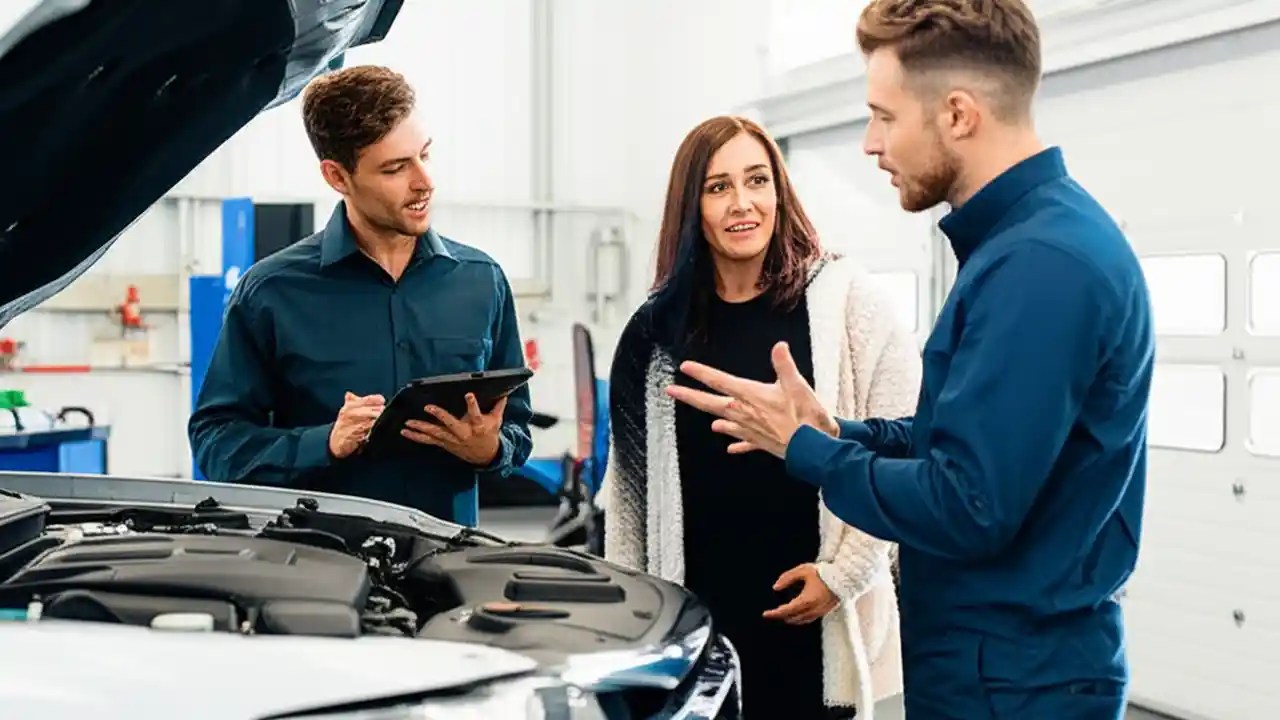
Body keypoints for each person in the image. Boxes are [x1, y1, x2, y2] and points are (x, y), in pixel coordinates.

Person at [665, 2, 1155, 719]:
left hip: (1014, 680)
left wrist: (807, 452)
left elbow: (968, 505)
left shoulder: (1040, 267)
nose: (870, 142)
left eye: (884, 116)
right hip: (995, 665)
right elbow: (953, 442)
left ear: (957, 114)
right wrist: (842, 432)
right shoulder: (1021, 247)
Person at [601, 115, 922, 719]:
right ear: (691, 205)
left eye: (757, 180)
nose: (743, 203)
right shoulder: (653, 334)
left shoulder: (850, 304)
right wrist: (637, 620)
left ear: (780, 190)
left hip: (821, 616)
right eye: (718, 187)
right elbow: (629, 499)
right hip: (700, 622)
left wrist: (843, 574)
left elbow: (900, 454)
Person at [188, 65, 532, 527]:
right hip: (320, 568)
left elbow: (517, 429)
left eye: (424, 156)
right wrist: (323, 442)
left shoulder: (481, 281)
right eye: (395, 168)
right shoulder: (271, 292)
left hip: (450, 564)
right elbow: (217, 442)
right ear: (337, 176)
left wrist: (490, 449)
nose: (423, 182)